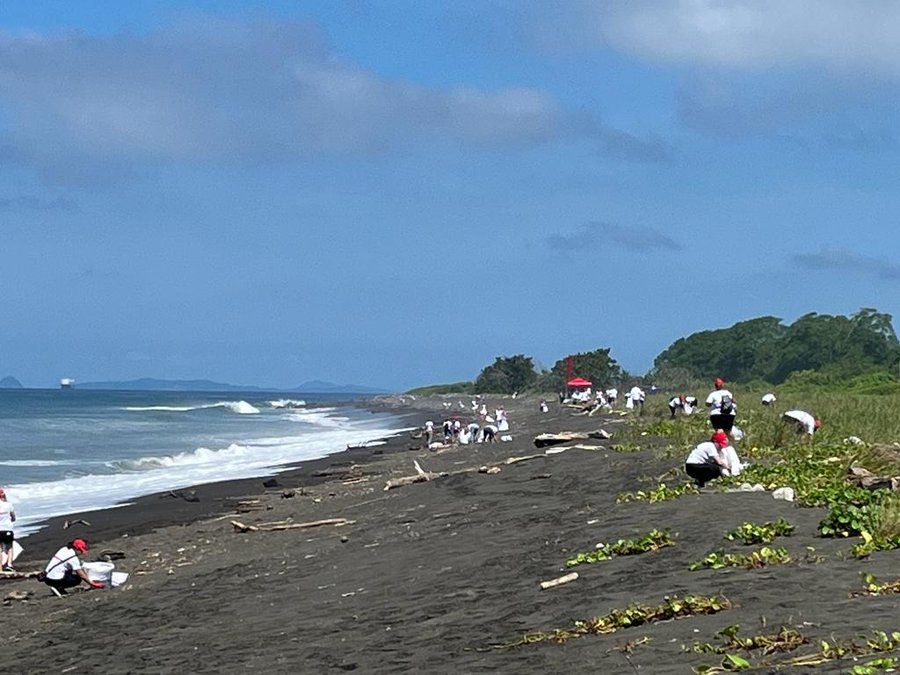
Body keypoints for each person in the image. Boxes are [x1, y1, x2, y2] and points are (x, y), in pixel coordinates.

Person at [0, 488, 16, 572]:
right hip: (7, 528)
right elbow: (13, 517)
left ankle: (0, 567)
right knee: (9, 547)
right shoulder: (8, 505)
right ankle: (9, 564)